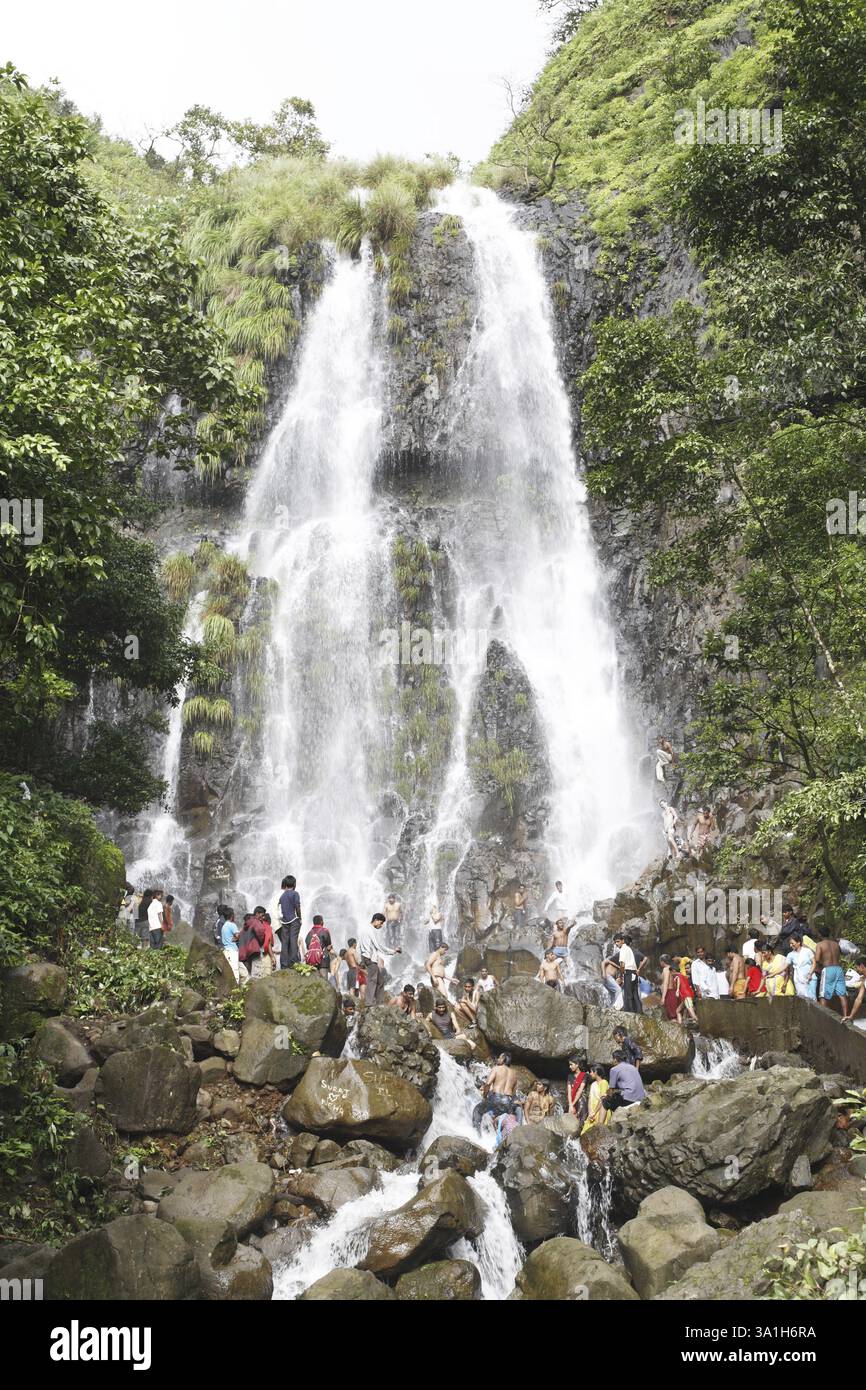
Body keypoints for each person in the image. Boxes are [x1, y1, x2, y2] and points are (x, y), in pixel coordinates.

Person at [358, 912, 401, 1007]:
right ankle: (369, 1002)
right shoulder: (370, 930)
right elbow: (378, 946)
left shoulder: (365, 929)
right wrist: (392, 951)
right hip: (369, 958)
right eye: (381, 923)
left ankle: (379, 1002)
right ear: (376, 920)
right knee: (372, 980)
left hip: (366, 957)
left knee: (380, 981)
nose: (381, 925)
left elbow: (360, 945)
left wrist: (361, 957)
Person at [809, 928, 849, 1017]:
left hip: (828, 970)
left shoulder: (819, 944)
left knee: (823, 995)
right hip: (838, 969)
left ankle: (824, 1017)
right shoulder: (836, 944)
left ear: (820, 934)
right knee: (842, 994)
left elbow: (818, 959)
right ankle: (846, 1016)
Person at [472, 1053, 518, 1129]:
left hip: (496, 1098)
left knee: (477, 1110)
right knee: (498, 1119)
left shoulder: (497, 1068)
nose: (498, 1059)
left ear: (503, 1059)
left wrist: (484, 1096)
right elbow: (514, 1093)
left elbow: (488, 1083)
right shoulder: (514, 1074)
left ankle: (477, 1135)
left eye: (499, 1058)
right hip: (508, 1102)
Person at [605, 933, 642, 1014]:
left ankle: (630, 1013)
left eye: (618, 941)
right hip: (634, 973)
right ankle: (639, 1012)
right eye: (615, 942)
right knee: (635, 994)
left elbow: (622, 965)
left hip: (628, 972)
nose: (616, 944)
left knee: (628, 994)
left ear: (623, 941)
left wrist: (621, 975)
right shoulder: (628, 949)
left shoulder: (623, 950)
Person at [278, 876, 302, 969]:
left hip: (284, 922)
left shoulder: (282, 895)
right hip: (293, 920)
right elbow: (297, 906)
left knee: (285, 942)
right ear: (294, 884)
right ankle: (294, 962)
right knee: (293, 940)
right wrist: (300, 918)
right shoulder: (295, 893)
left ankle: (284, 964)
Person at [785, 933, 817, 1000]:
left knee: (812, 998)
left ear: (798, 942)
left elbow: (814, 963)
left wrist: (810, 973)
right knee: (802, 998)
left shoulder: (807, 951)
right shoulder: (790, 954)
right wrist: (774, 973)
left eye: (792, 943)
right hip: (798, 979)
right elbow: (785, 966)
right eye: (790, 944)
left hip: (810, 978)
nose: (790, 945)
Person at [582, 1064, 611, 1133]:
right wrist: (590, 1112)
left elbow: (602, 1099)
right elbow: (590, 1099)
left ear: (596, 1072)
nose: (590, 1073)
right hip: (592, 1112)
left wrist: (594, 1112)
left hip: (600, 1110)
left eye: (591, 1072)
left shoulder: (604, 1082)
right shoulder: (593, 1084)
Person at [675, 957, 699, 1023]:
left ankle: (699, 1023)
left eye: (688, 968)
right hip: (687, 997)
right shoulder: (686, 977)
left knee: (692, 1014)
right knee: (678, 1011)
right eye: (685, 968)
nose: (686, 970)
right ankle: (681, 1026)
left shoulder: (693, 977)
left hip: (689, 997)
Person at [567, 1057, 588, 1126]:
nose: (570, 1067)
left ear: (577, 1064)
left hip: (581, 1099)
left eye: (571, 1064)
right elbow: (569, 1091)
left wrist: (572, 1104)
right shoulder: (570, 1076)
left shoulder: (584, 1075)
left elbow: (580, 1090)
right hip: (572, 1100)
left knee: (581, 1122)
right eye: (569, 1065)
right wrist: (570, 1104)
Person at [221, 910, 240, 983]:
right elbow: (237, 935)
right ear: (232, 916)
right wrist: (236, 938)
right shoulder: (232, 925)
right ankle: (236, 988)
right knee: (235, 970)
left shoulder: (224, 926)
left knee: (239, 971)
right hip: (232, 950)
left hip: (226, 951)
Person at [660, 955, 680, 1020]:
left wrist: (663, 997)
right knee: (675, 1014)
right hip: (673, 992)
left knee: (672, 1016)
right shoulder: (672, 968)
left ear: (662, 962)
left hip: (669, 993)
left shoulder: (666, 969)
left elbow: (666, 983)